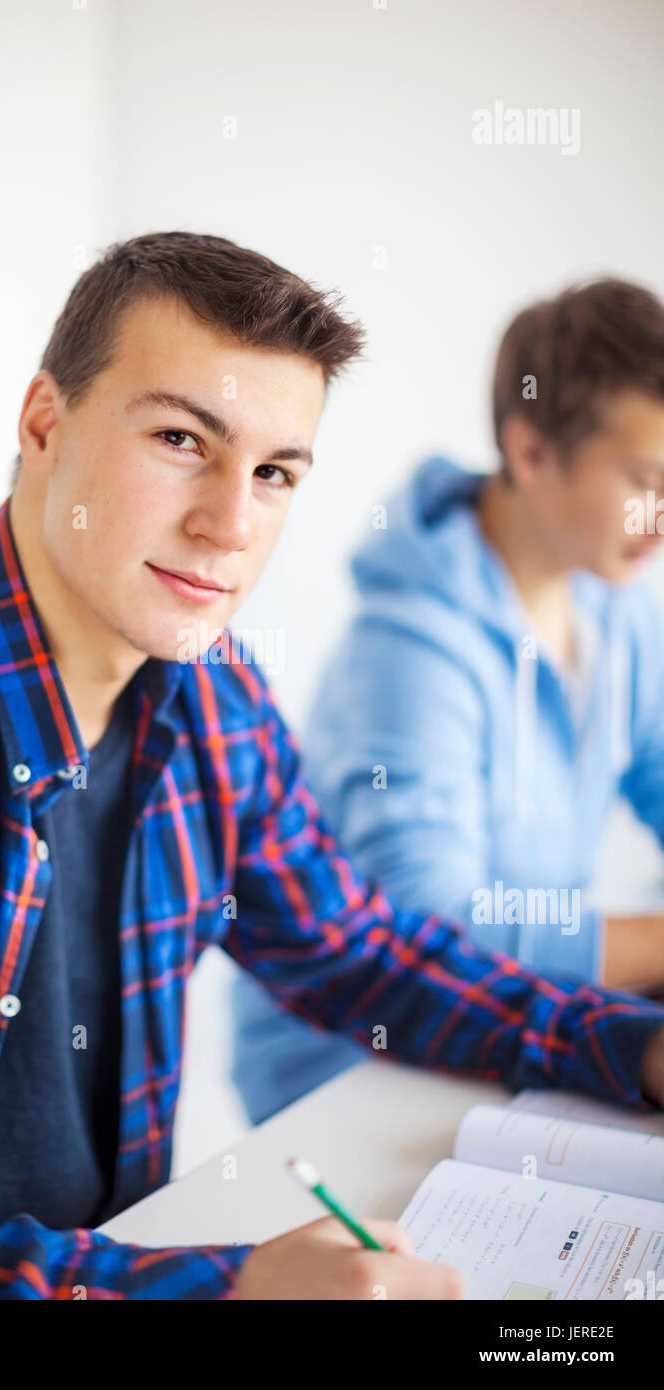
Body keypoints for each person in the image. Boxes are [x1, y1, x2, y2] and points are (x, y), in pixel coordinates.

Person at [0, 237, 663, 1302]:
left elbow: (354, 954)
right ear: (42, 424)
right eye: (178, 439)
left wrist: (630, 1049)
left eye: (272, 473)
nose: (229, 524)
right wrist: (227, 1292)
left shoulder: (213, 697)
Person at [230, 277, 664, 1126]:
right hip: (357, 1074)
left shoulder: (617, 607)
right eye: (646, 477)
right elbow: (433, 932)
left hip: (525, 1021)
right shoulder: (411, 650)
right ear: (533, 452)